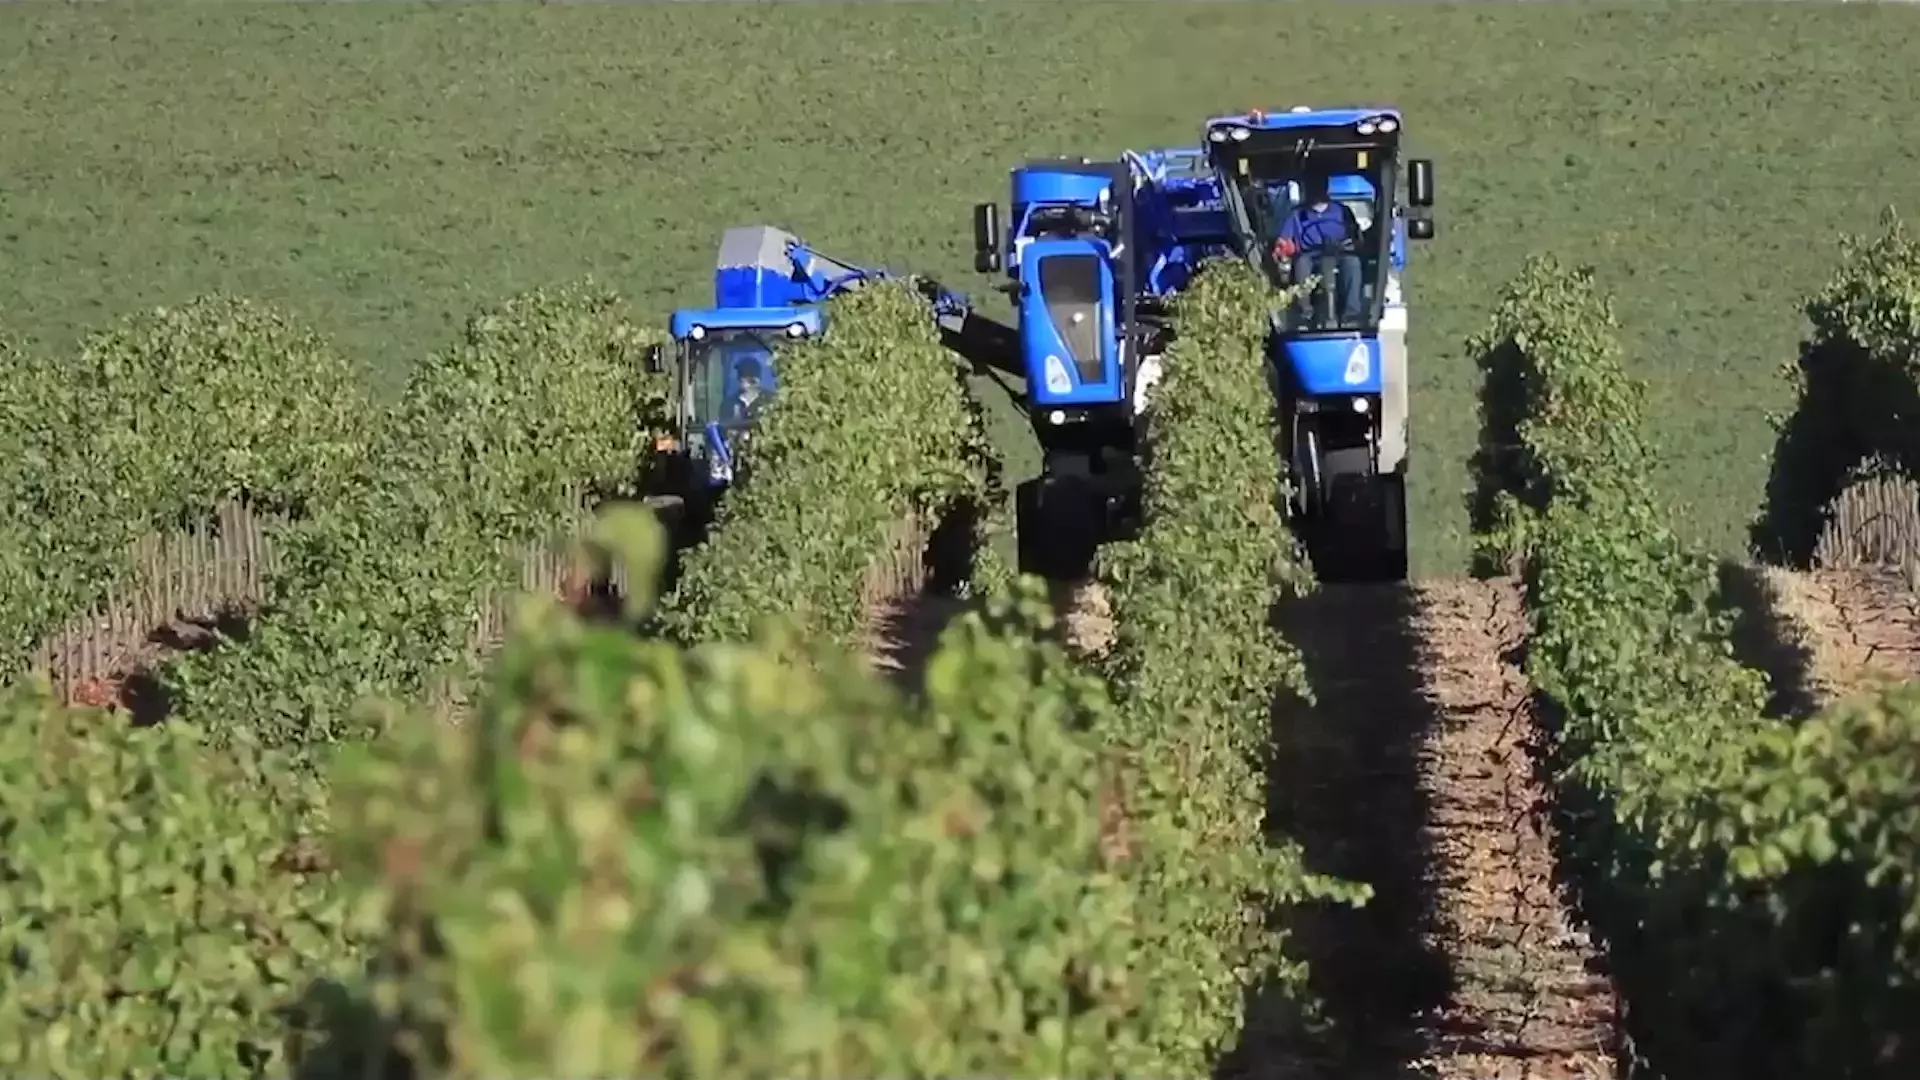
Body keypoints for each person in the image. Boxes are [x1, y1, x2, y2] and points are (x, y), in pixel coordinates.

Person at [1270, 175, 1365, 326]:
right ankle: (1305, 313)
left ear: (1326, 188)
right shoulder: (1296, 215)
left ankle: (1351, 315)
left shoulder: (1342, 211)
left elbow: (1355, 237)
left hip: (1340, 252)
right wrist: (1283, 250)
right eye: (1313, 186)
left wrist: (1351, 243)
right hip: (1310, 255)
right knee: (1301, 264)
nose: (1317, 190)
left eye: (1320, 186)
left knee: (1353, 263)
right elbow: (1283, 242)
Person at [726, 357, 767, 426]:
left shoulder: (770, 401)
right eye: (741, 379)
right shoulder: (729, 403)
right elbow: (723, 426)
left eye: (745, 380)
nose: (742, 383)